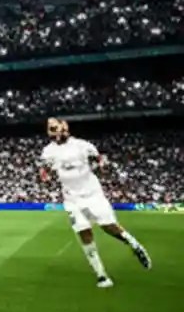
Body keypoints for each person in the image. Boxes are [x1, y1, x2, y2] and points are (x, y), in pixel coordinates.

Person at [39, 118, 152, 288]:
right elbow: (44, 169)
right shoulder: (48, 152)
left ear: (65, 128)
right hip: (72, 199)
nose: (53, 132)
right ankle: (101, 275)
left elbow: (99, 159)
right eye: (50, 129)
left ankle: (134, 244)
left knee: (109, 227)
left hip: (93, 194)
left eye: (56, 128)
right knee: (84, 233)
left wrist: (102, 164)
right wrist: (44, 176)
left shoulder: (83, 145)